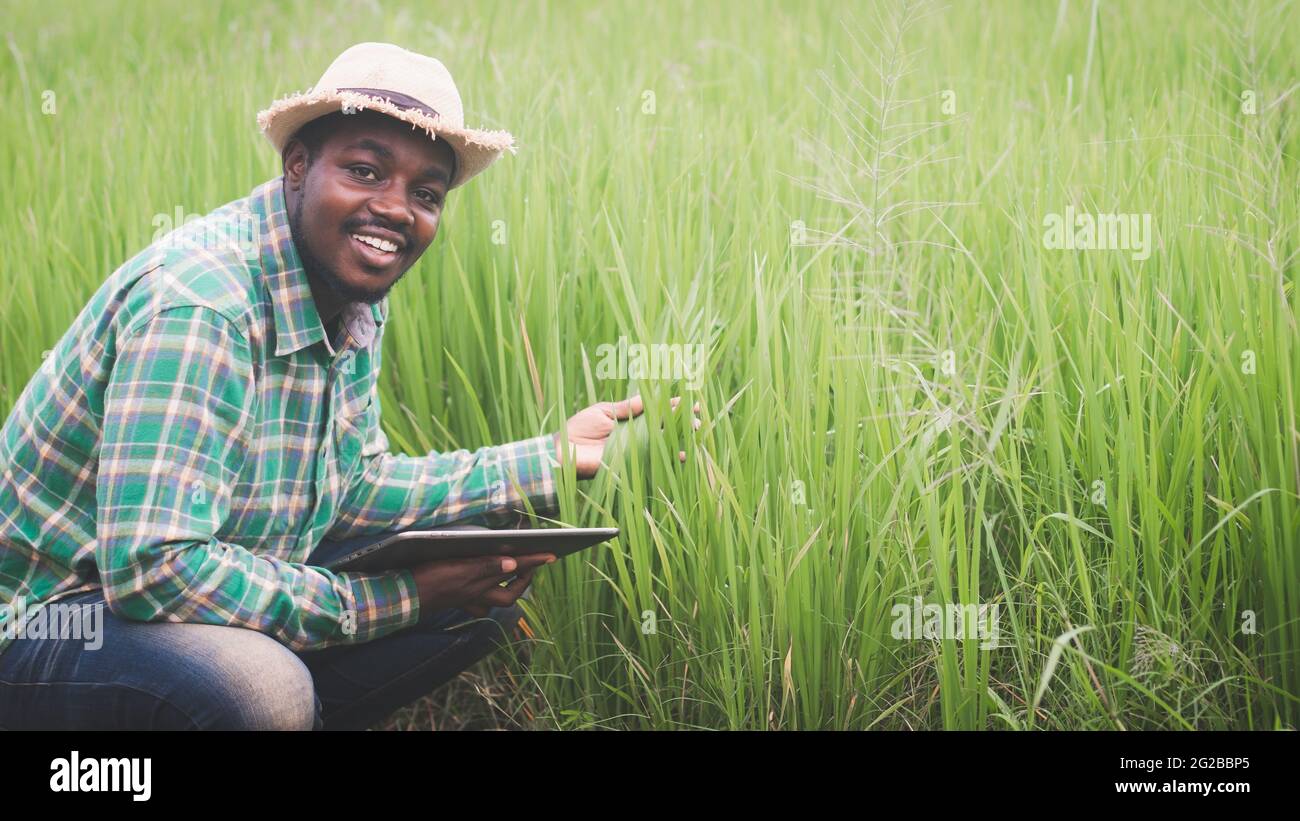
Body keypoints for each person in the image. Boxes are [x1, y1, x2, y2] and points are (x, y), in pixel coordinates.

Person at [0, 42, 694, 730]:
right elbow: (155, 568)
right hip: (52, 617)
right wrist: (396, 600)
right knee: (261, 688)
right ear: (298, 165)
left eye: (425, 193)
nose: (396, 209)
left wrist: (553, 459)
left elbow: (352, 487)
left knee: (477, 583)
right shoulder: (204, 306)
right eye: (365, 171)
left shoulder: (348, 293)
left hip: (174, 587)